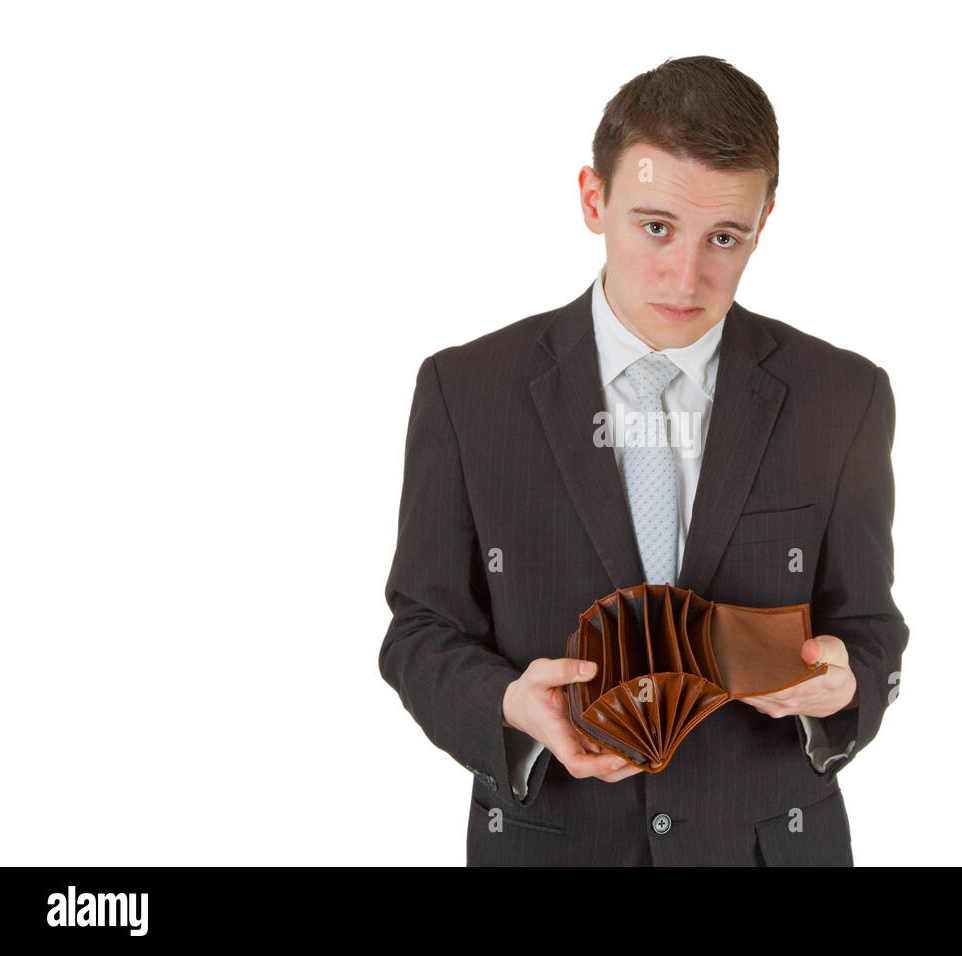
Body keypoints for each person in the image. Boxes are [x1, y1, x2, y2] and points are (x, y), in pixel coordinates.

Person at [379, 54, 908, 866]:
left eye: (724, 237)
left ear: (764, 222)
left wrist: (846, 685)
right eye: (655, 226)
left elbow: (869, 628)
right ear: (594, 200)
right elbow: (420, 631)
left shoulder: (844, 395)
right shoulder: (466, 391)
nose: (686, 277)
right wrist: (510, 705)